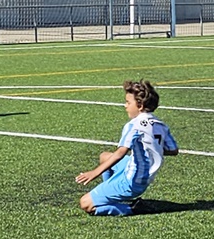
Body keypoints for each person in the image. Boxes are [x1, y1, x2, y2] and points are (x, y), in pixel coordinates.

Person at [75, 80, 178, 216]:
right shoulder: (160, 125)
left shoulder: (134, 125)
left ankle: (133, 209)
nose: (125, 106)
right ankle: (112, 192)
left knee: (86, 204)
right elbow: (173, 150)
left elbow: (120, 153)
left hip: (131, 182)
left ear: (140, 105)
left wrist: (95, 173)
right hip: (141, 175)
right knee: (104, 156)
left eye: (128, 103)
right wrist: (152, 147)